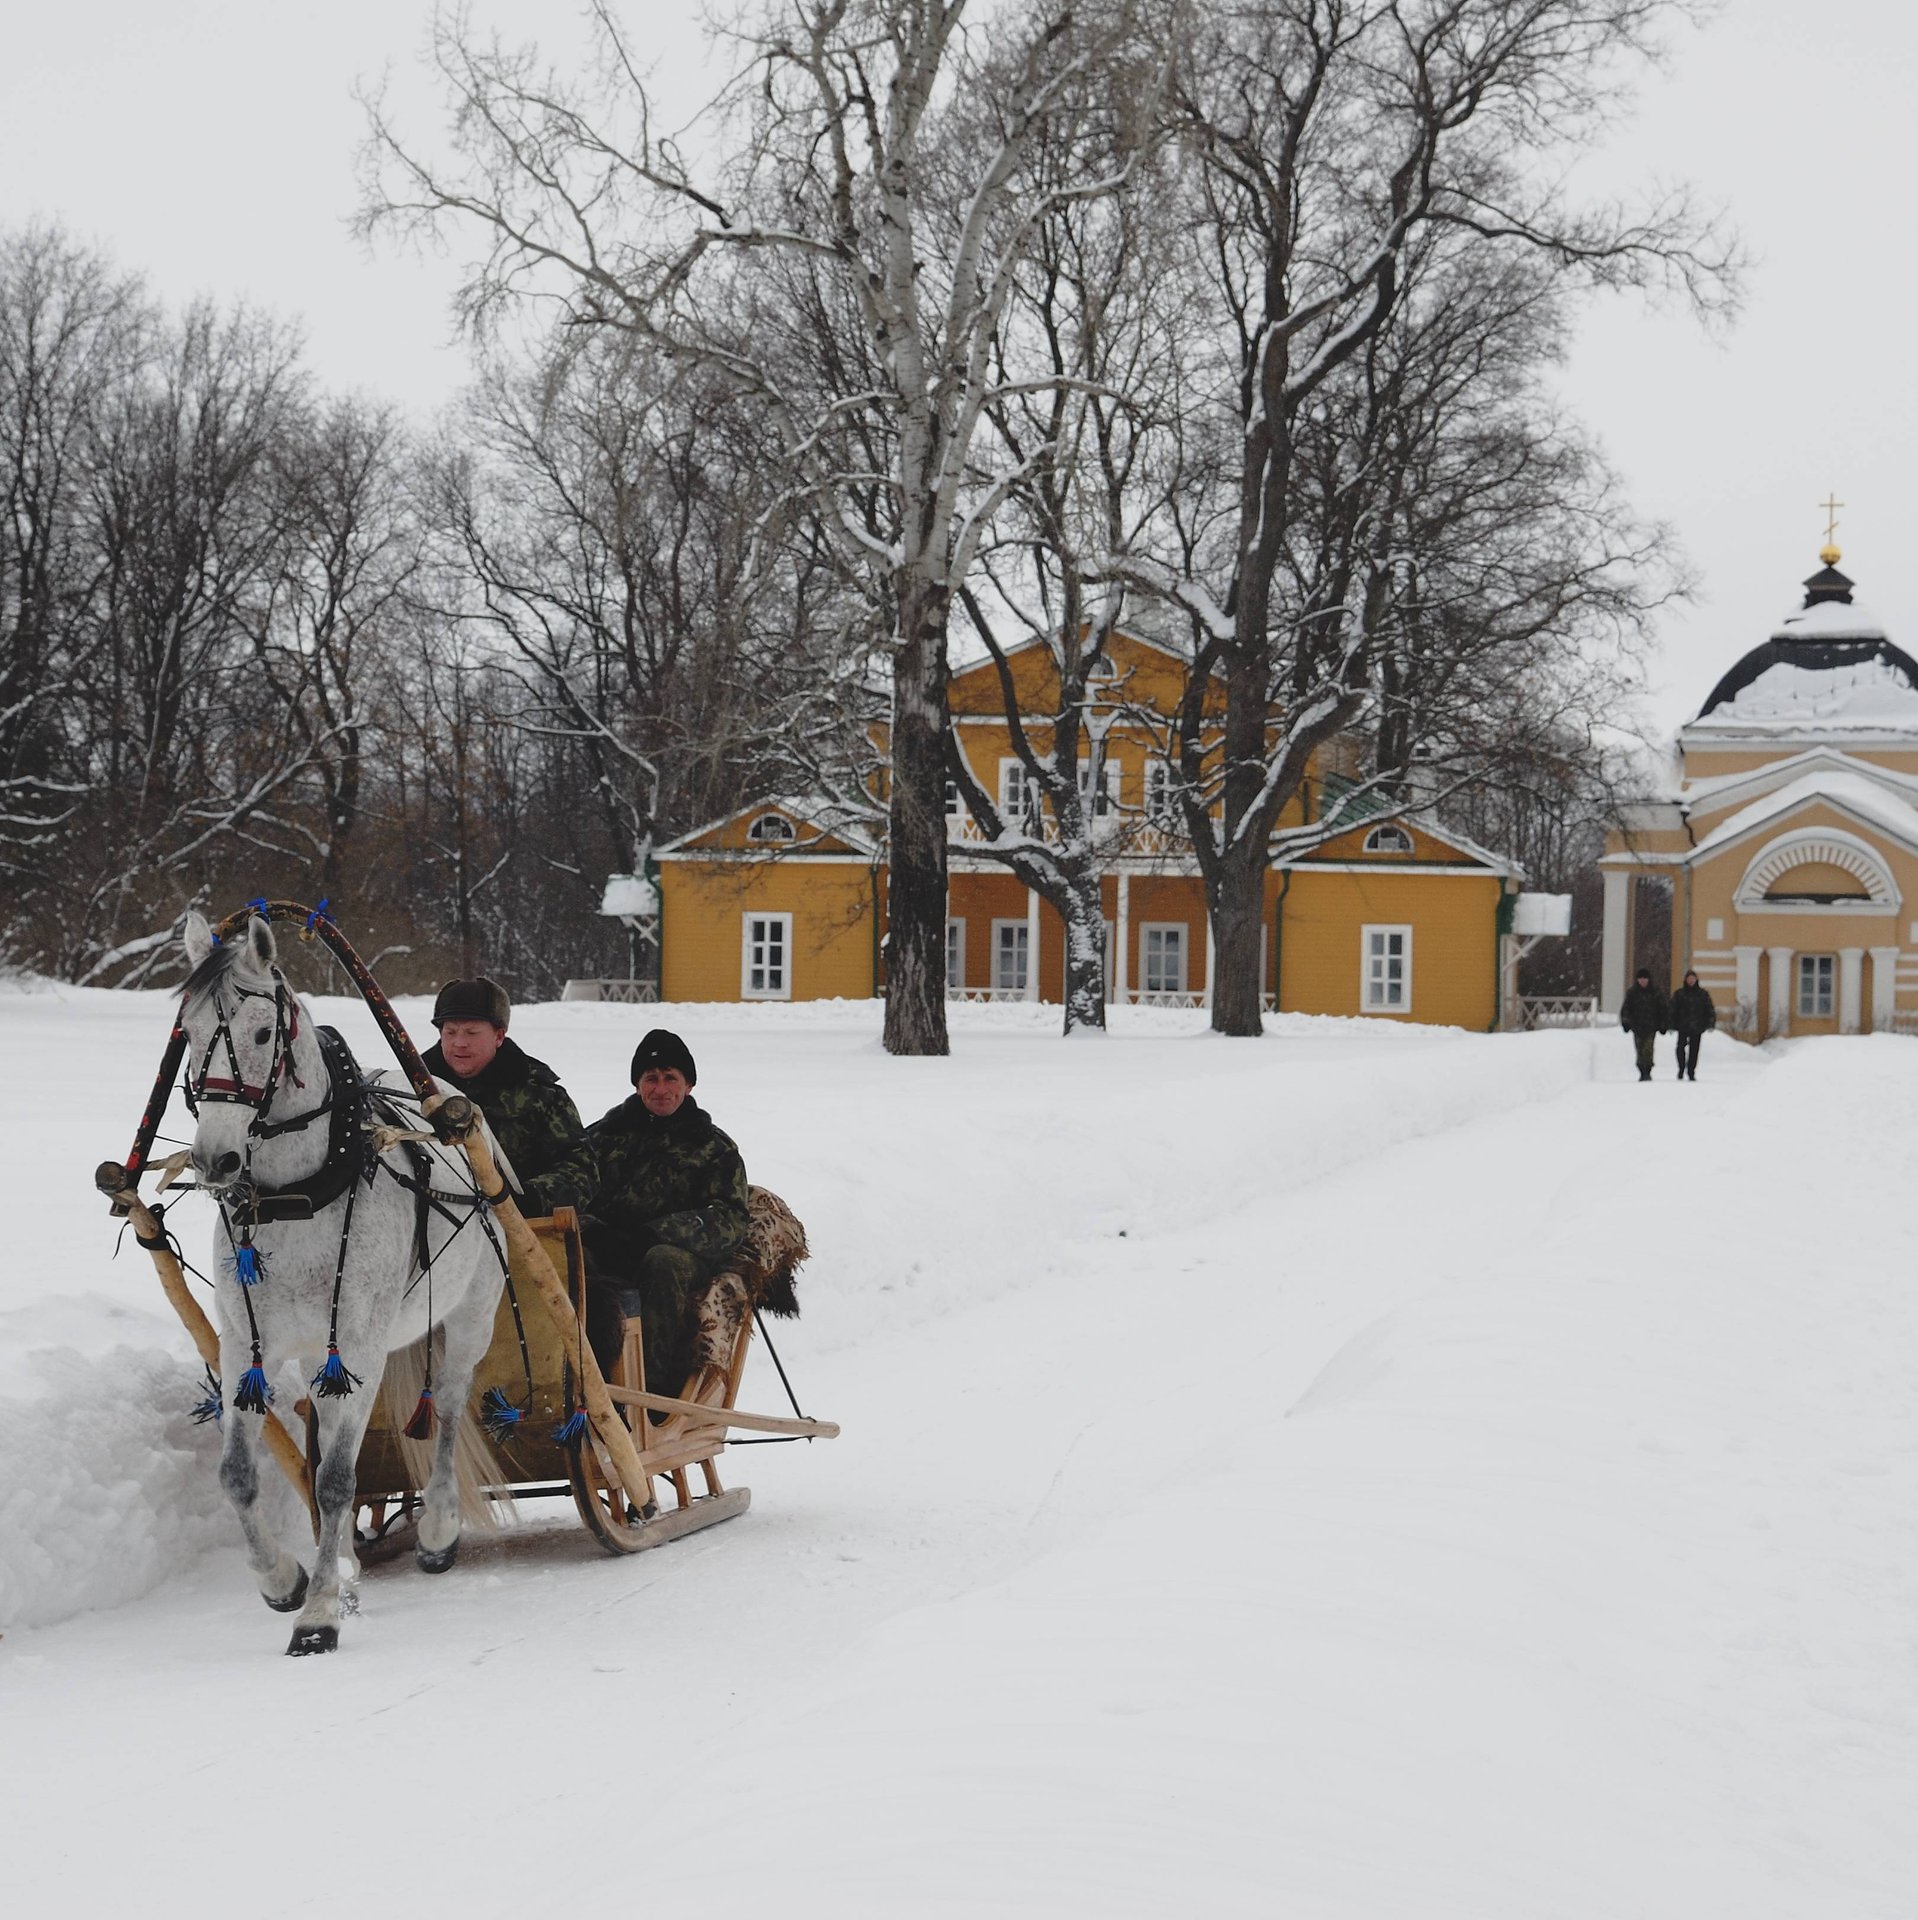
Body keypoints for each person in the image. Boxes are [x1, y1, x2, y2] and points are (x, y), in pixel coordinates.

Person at [582, 1028, 751, 1394]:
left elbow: (730, 1218)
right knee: (571, 1256)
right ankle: (578, 1377)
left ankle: (653, 1389)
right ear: (637, 1084)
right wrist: (595, 1231)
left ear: (688, 1085)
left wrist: (655, 1233)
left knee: (662, 1262)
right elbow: (572, 1194)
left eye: (670, 1078)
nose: (660, 1089)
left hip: (678, 1258)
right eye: (651, 1078)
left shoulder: (713, 1147)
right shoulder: (601, 1137)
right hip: (608, 1247)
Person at [423, 976, 598, 1217]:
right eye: (450, 1032)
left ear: (499, 1036)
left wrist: (530, 1199)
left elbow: (581, 1169)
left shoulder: (541, 1095)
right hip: (428, 1228)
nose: (459, 1043)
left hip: (521, 1233)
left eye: (472, 1032)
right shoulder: (414, 1091)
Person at [1619, 966, 1669, 1083]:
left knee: (1648, 1049)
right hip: (1637, 1026)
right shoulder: (1632, 992)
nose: (1642, 981)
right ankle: (1641, 1069)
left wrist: (1664, 1024)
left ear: (1648, 980)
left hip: (1651, 1026)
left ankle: (1648, 1070)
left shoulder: (1656, 992)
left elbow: (1663, 1009)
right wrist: (1625, 1022)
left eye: (1644, 979)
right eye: (1640, 979)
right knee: (1639, 1049)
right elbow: (1626, 1008)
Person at [1669, 967, 1716, 1081]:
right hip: (1682, 1026)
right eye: (1689, 978)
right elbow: (1672, 1009)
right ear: (1685, 980)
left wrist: (1710, 1023)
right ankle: (1681, 1068)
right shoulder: (1679, 994)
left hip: (1697, 1026)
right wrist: (1670, 1024)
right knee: (1680, 1048)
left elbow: (1709, 1009)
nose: (1691, 981)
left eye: (1693, 978)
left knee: (1694, 1051)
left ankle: (1691, 1071)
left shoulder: (1702, 994)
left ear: (1696, 980)